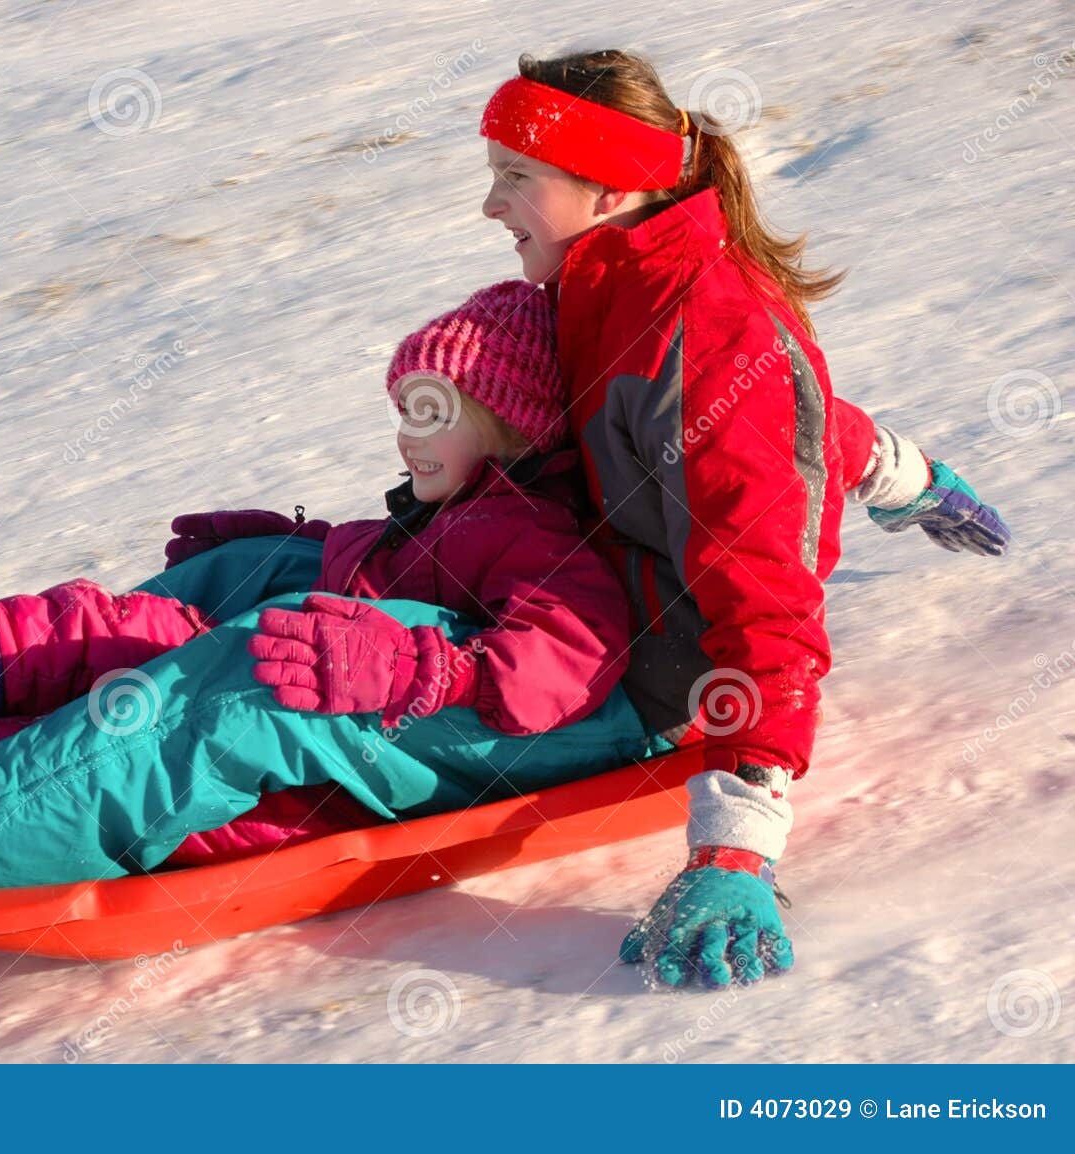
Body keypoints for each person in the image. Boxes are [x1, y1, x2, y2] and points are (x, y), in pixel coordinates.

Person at [167, 50, 1009, 988]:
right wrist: (905, 473)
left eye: (516, 179)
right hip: (559, 612)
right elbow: (773, 431)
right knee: (255, 572)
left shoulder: (703, 326)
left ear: (609, 190)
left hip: (652, 691)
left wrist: (735, 849)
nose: (491, 208)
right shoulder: (609, 284)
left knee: (265, 689)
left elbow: (765, 588)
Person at [0, 280, 657, 893]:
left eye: (428, 414)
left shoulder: (541, 535)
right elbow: (381, 568)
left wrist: (438, 675)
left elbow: (566, 655)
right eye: (399, 412)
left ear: (509, 424)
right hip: (384, 665)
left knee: (199, 694)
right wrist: (282, 543)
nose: (402, 438)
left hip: (445, 713)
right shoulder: (461, 504)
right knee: (135, 628)